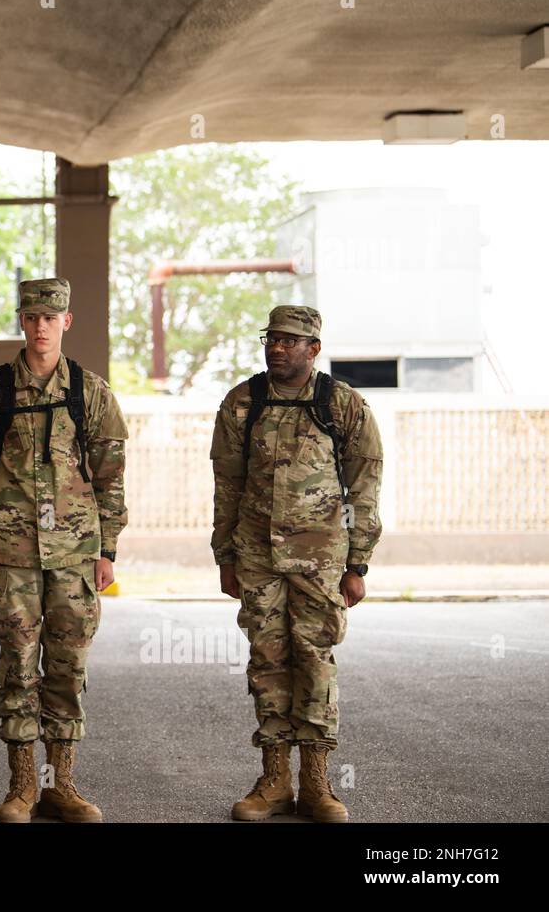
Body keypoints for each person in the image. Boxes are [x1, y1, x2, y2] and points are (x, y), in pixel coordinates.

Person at [0, 277, 128, 823]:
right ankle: (23, 787)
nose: (41, 326)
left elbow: (111, 474)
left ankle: (63, 785)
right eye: (31, 317)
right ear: (22, 321)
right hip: (12, 556)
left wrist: (109, 549)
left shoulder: (90, 391)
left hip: (75, 554)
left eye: (51, 317)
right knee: (18, 668)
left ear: (66, 322)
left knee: (68, 668)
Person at [210, 305, 383, 823]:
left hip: (321, 561)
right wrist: (225, 555)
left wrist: (359, 563)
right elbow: (227, 486)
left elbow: (365, 487)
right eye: (272, 339)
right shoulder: (243, 402)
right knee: (267, 662)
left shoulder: (342, 405)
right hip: (258, 557)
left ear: (314, 349)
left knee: (315, 660)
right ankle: (273, 781)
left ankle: (317, 784)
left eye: (290, 341)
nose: (278, 348)